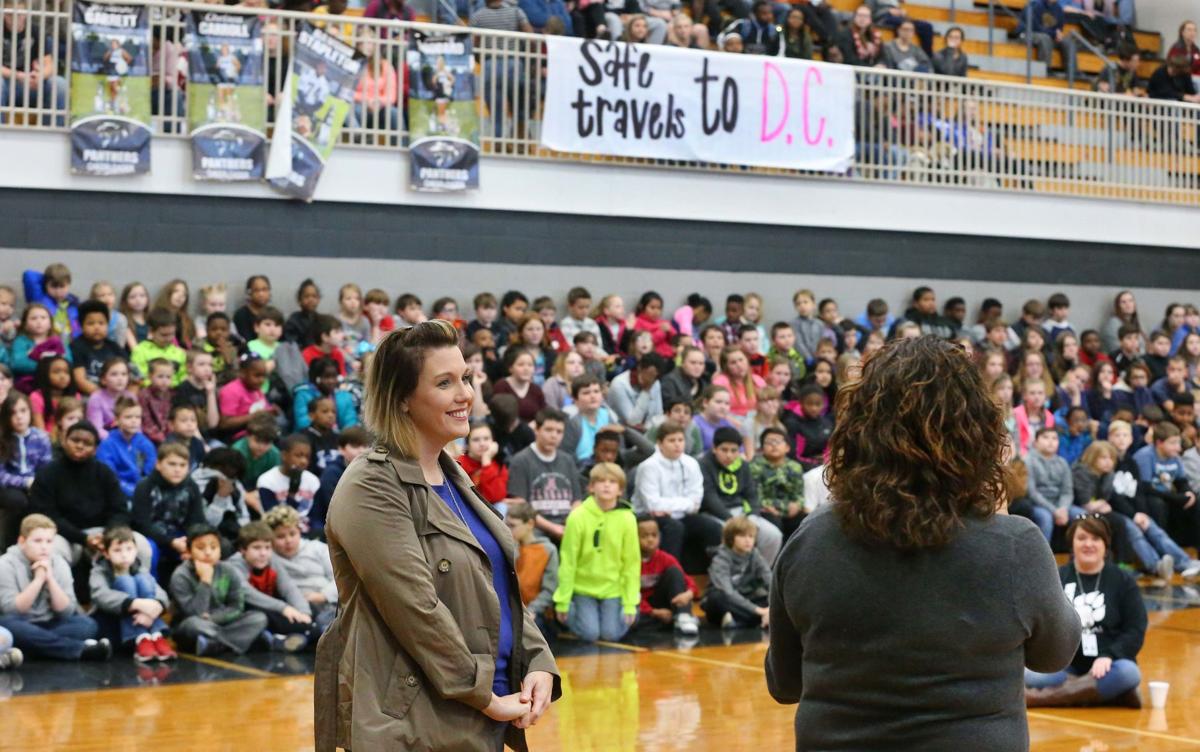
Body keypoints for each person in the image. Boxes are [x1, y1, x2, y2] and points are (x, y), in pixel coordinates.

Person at [766, 336, 1079, 750]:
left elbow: (785, 683)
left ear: (859, 429)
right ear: (977, 429)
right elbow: (1056, 653)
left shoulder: (813, 538)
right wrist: (999, 519)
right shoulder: (1014, 544)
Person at [316, 321, 559, 751]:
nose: (465, 393)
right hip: (416, 724)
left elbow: (500, 586)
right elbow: (415, 608)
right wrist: (483, 695)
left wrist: (538, 661)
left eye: (465, 378)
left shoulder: (454, 475)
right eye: (444, 383)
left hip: (482, 716)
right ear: (402, 399)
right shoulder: (370, 485)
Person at [1025, 516, 1146, 707]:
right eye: (1082, 538)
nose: (1088, 544)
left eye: (1095, 539)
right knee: (1029, 675)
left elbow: (1136, 629)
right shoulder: (1057, 577)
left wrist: (1110, 655)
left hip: (1109, 664)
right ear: (1072, 543)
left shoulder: (1123, 581)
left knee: (1129, 673)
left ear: (1105, 545)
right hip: (1067, 665)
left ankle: (1044, 698)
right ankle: (1103, 693)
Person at [0, 514, 112, 661]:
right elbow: (12, 609)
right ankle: (78, 650)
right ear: (22, 541)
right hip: (20, 623)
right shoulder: (5, 564)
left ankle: (34, 649)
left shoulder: (59, 563)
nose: (44, 547)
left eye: (49, 541)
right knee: (7, 625)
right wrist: (38, 580)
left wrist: (50, 579)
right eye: (38, 541)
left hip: (51, 625)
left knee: (87, 625)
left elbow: (66, 611)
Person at [553, 463, 640, 643]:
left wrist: (630, 603)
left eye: (612, 482)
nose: (606, 485)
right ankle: (572, 608)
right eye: (601, 481)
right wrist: (563, 600)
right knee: (590, 634)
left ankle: (626, 610)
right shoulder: (577, 516)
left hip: (613, 589)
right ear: (591, 487)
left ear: (620, 490)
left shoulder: (628, 518)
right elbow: (568, 560)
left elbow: (632, 562)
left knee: (611, 634)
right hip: (583, 588)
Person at [169, 523, 268, 656]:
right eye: (200, 548)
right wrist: (205, 581)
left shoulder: (229, 570)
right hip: (193, 627)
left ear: (220, 550)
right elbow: (194, 613)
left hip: (219, 622)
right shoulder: (181, 575)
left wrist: (213, 618)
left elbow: (237, 607)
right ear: (189, 551)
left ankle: (214, 645)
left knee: (258, 618)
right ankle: (247, 641)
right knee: (193, 625)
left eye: (214, 547)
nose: (208, 552)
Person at [633, 421, 722, 568]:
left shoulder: (691, 463)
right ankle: (672, 574)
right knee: (674, 528)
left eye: (680, 440)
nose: (677, 445)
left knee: (713, 528)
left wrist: (677, 505)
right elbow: (652, 504)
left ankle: (714, 577)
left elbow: (696, 502)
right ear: (660, 443)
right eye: (671, 440)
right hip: (648, 516)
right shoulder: (648, 467)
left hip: (682, 515)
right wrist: (686, 503)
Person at [88, 526, 175, 662]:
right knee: (125, 581)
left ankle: (155, 636)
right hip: (111, 620)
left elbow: (159, 592)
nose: (124, 555)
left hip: (144, 619)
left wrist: (155, 607)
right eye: (117, 550)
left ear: (135, 550)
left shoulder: (141, 570)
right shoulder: (100, 571)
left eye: (129, 549)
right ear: (106, 553)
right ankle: (142, 637)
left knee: (143, 580)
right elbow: (100, 595)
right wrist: (136, 604)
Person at [228, 521, 316, 653]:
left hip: (271, 607)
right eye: (257, 548)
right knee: (261, 614)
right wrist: (284, 608)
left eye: (267, 548)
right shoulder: (233, 566)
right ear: (242, 550)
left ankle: (298, 635)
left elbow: (288, 588)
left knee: (308, 608)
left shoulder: (271, 560)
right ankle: (304, 635)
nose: (263, 553)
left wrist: (304, 613)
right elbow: (248, 594)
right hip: (248, 610)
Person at [700, 426, 783, 564]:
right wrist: (732, 520)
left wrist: (751, 516)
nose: (729, 455)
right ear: (714, 448)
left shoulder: (743, 465)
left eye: (734, 451)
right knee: (728, 534)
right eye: (724, 450)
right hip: (716, 514)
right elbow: (709, 497)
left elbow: (751, 494)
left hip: (742, 512)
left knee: (773, 535)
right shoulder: (704, 464)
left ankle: (760, 575)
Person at [507, 408, 581, 541]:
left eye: (559, 432)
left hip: (567, 525)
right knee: (546, 546)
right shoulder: (521, 461)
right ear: (536, 429)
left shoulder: (567, 460)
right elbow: (521, 506)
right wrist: (552, 528)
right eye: (549, 430)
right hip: (535, 528)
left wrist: (570, 524)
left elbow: (576, 501)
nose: (554, 436)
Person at [633, 515, 700, 635]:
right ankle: (666, 619)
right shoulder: (630, 561)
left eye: (654, 535)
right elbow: (629, 593)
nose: (650, 539)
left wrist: (689, 594)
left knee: (674, 571)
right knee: (632, 619)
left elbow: (686, 579)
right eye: (644, 536)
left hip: (660, 600)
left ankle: (682, 616)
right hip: (641, 606)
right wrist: (653, 612)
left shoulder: (665, 558)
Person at [702, 516, 771, 628]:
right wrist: (759, 611)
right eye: (742, 536)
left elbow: (770, 581)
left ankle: (736, 621)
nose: (748, 540)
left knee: (770, 598)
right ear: (731, 538)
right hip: (724, 601)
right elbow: (727, 592)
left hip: (745, 598)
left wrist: (771, 607)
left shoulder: (755, 554)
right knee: (717, 598)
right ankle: (755, 619)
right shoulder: (720, 558)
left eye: (751, 536)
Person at [504, 503, 558, 638]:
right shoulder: (507, 546)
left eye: (512, 526)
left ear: (530, 524)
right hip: (510, 610)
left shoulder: (547, 550)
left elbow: (549, 589)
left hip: (536, 613)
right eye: (506, 524)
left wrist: (532, 610)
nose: (507, 529)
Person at [97, 397, 157, 498]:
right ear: (116, 420)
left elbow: (150, 473)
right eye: (128, 417)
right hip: (115, 493)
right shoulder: (107, 445)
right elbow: (109, 476)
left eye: (138, 417)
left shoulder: (146, 443)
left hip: (142, 492)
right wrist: (132, 491)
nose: (134, 421)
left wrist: (143, 491)